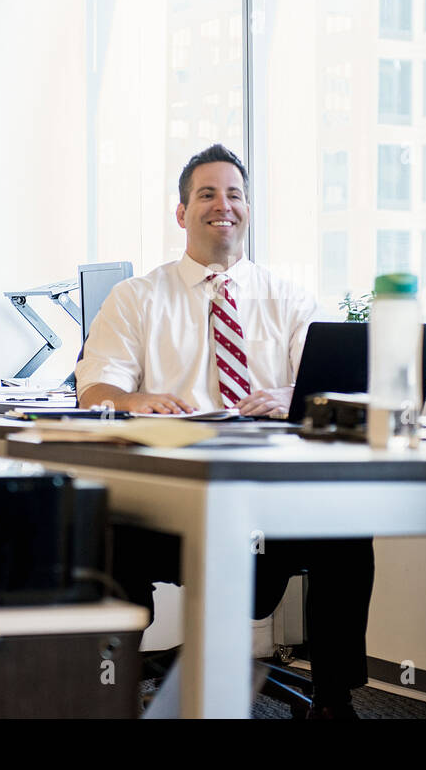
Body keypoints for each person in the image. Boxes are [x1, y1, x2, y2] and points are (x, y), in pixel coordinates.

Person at [75, 144, 374, 718]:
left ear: (248, 208)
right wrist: (136, 399)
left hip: (271, 504)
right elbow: (95, 392)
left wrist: (293, 395)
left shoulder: (288, 298)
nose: (223, 206)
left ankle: (333, 701)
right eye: (206, 194)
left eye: (234, 194)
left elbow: (326, 387)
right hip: (170, 511)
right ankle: (109, 696)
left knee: (348, 529)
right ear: (182, 213)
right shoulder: (136, 298)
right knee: (105, 534)